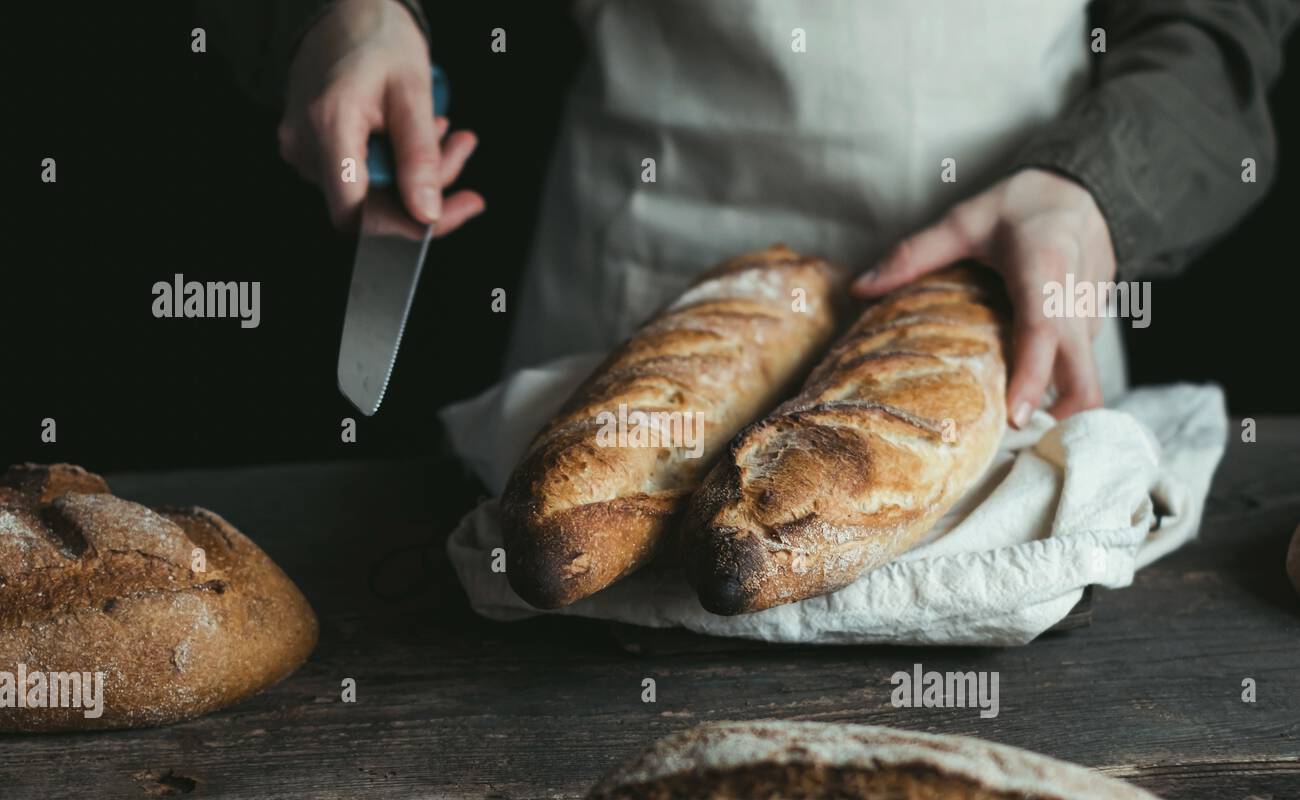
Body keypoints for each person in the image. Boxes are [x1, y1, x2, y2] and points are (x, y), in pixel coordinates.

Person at [212, 0, 1296, 428]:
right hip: (625, 319)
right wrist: (343, 21)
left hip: (1022, 325)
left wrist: (1097, 188)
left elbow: (1216, 25)